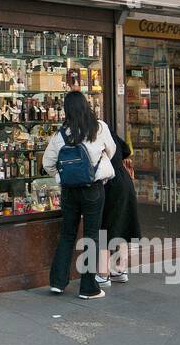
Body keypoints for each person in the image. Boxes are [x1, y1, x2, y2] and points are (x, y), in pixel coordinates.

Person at [43, 91, 115, 299]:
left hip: (69, 191)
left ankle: (58, 282)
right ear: (86, 106)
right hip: (93, 189)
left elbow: (47, 163)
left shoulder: (61, 135)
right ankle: (88, 287)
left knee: (67, 234)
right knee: (91, 236)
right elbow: (111, 150)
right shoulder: (99, 128)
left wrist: (61, 177)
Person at [96, 123, 142, 287]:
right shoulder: (110, 133)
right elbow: (127, 151)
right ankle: (119, 270)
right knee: (122, 224)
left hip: (109, 184)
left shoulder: (93, 137)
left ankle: (103, 274)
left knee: (104, 227)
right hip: (124, 182)